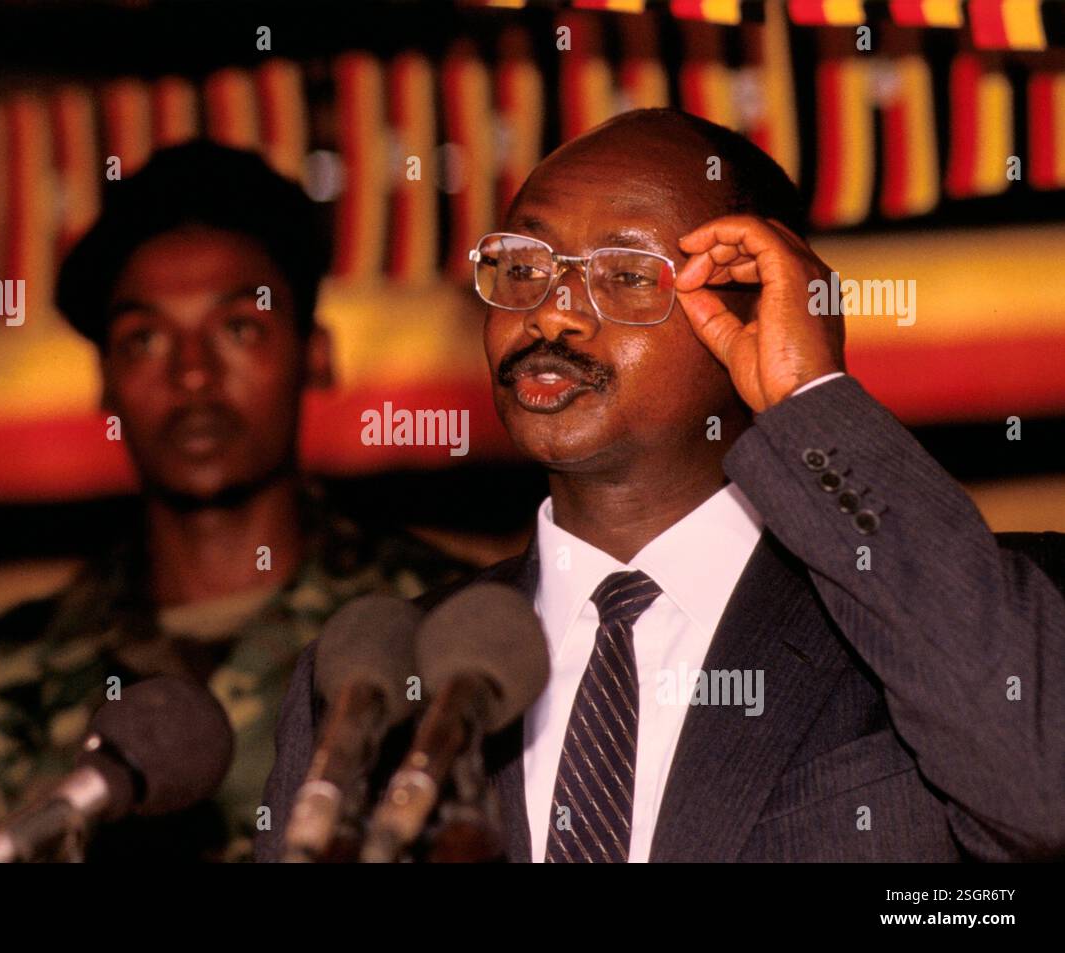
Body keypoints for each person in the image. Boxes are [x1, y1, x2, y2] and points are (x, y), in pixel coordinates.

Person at [258, 108, 1065, 862]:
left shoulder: (928, 610)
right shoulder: (387, 671)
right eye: (526, 264)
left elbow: (1041, 792)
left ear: (753, 311)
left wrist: (807, 401)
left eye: (627, 275)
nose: (552, 315)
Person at [0, 140, 470, 862]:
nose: (192, 373)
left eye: (238, 326)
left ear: (316, 353)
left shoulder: (443, 628)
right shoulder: (18, 668)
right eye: (146, 337)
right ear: (106, 382)